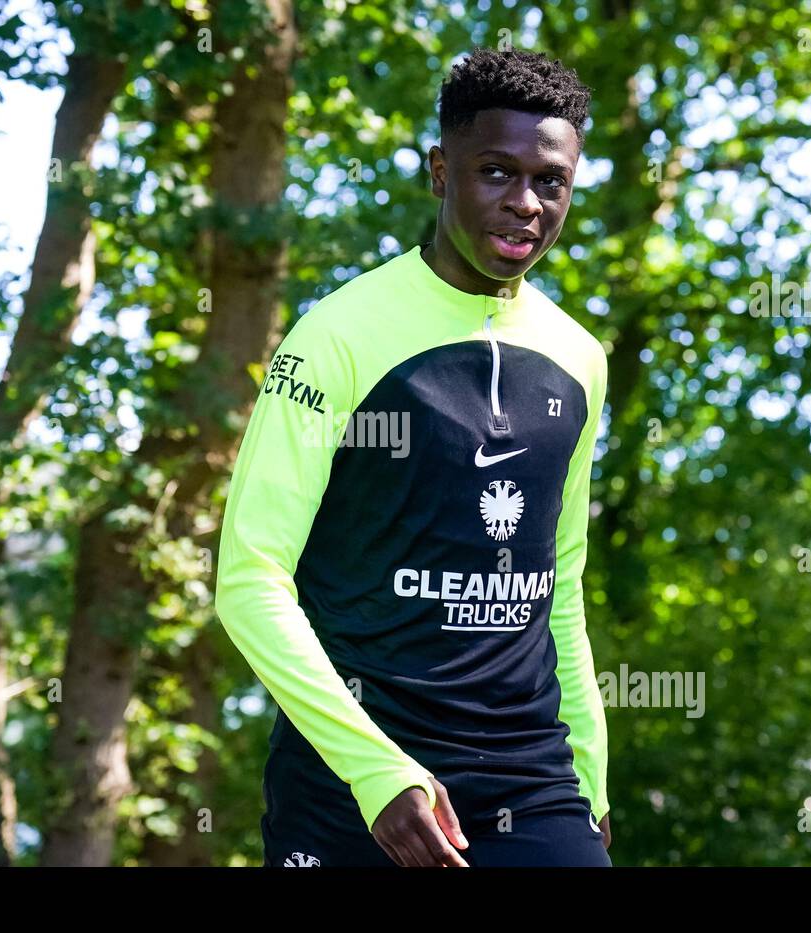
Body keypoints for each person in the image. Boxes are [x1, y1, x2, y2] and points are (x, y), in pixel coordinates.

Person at [214, 46, 611, 867]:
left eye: (551, 182)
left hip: (531, 783)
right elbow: (249, 580)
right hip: (350, 784)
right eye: (496, 173)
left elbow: (555, 589)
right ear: (440, 171)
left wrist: (591, 781)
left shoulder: (580, 358)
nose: (527, 204)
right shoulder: (336, 335)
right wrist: (375, 774)